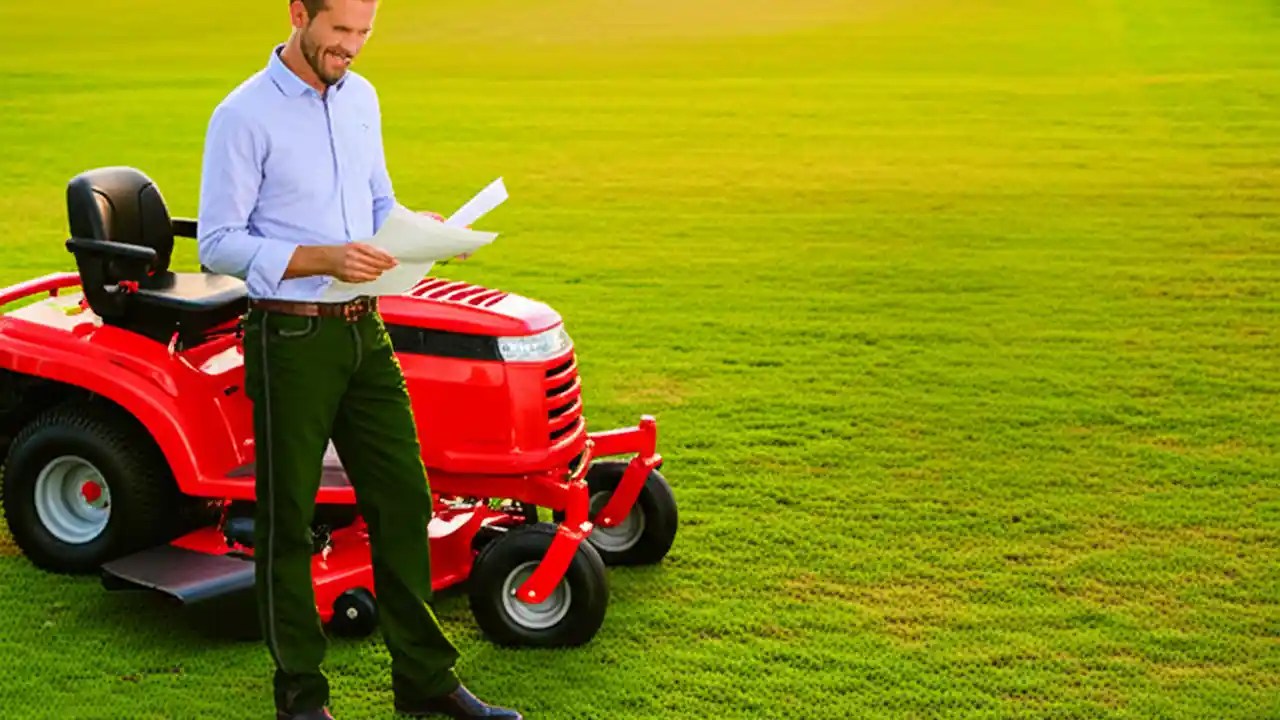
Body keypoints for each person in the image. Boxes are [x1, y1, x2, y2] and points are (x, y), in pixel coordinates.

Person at [197, 1, 521, 718]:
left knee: (404, 498)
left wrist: (420, 230)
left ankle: (424, 681)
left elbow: (377, 203)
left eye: (364, 32)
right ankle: (301, 698)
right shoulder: (242, 116)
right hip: (289, 340)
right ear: (298, 13)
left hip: (364, 330)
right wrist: (324, 257)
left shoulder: (362, 98)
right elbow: (218, 243)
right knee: (289, 520)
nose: (351, 47)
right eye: (339, 31)